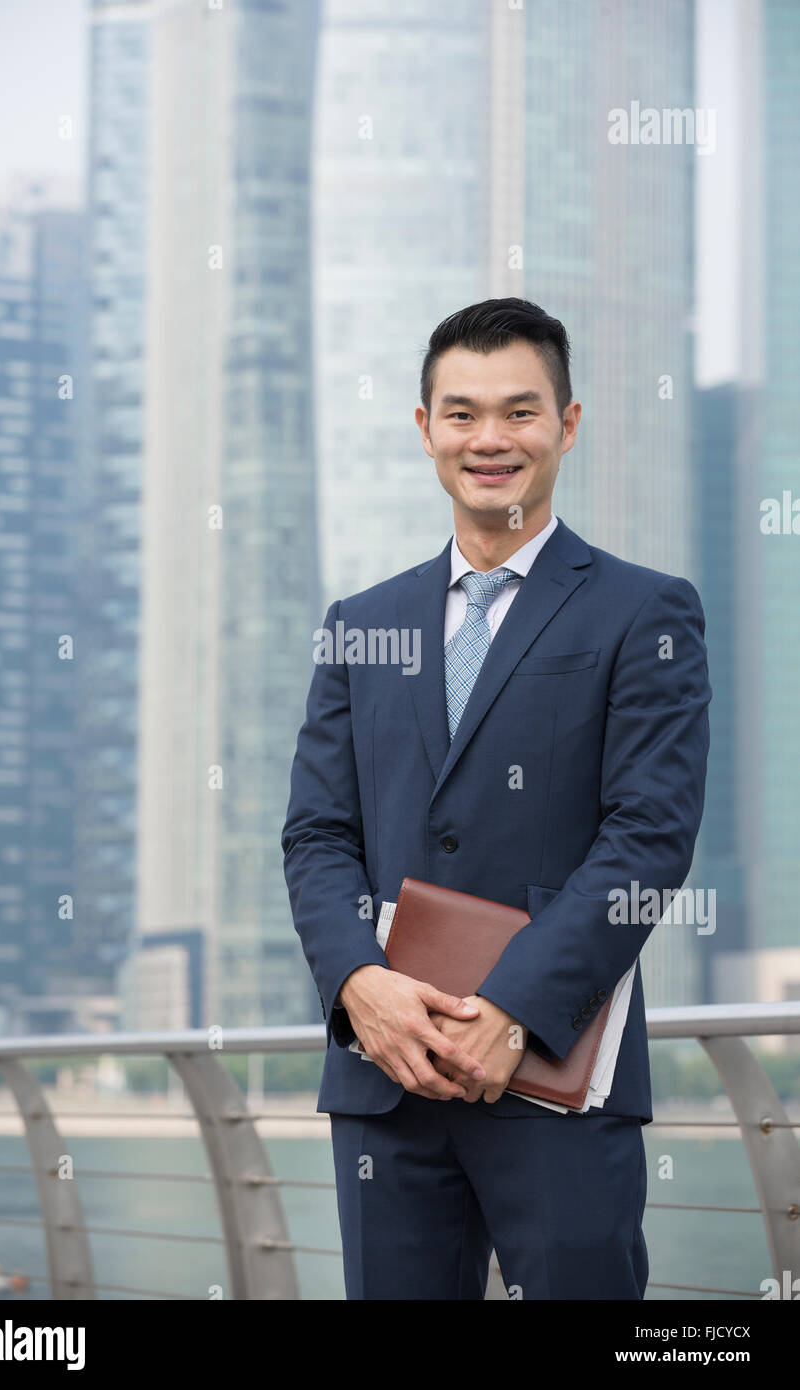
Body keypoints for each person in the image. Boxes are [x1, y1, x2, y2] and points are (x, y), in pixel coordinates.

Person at [281, 297, 711, 1300]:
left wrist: (515, 1006)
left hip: (554, 1074)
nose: (490, 439)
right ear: (424, 428)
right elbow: (317, 836)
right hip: (386, 1077)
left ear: (567, 425)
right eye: (462, 413)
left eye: (519, 412)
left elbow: (648, 836)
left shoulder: (643, 610)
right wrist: (359, 984)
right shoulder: (361, 623)